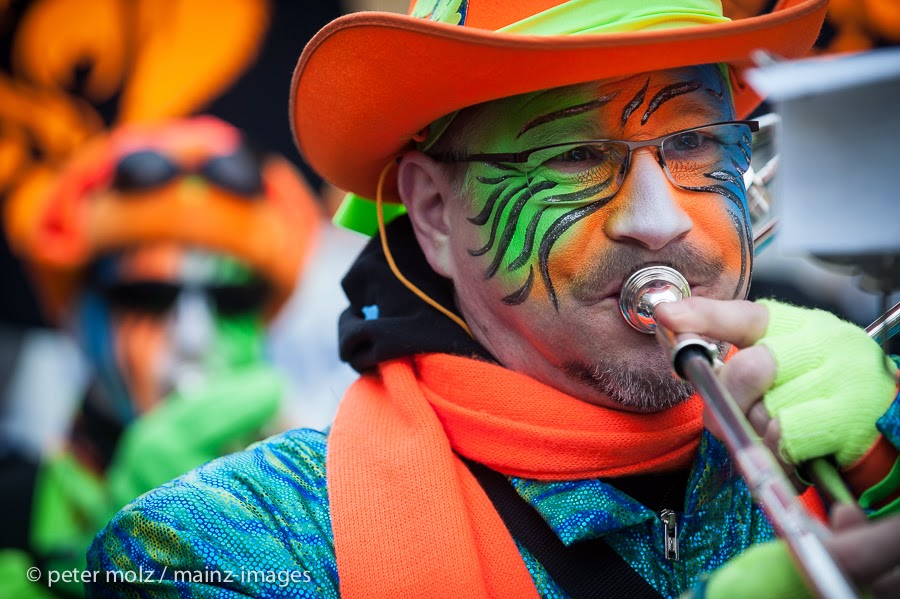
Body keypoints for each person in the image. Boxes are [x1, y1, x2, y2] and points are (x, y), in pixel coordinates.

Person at [87, 2, 900, 597]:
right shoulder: (212, 548)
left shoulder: (874, 434)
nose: (659, 222)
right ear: (436, 214)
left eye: (692, 141)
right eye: (579, 156)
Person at [0, 116, 319, 597]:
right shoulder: (9, 505)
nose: (194, 336)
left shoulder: (322, 508)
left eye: (232, 299)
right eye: (148, 296)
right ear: (71, 313)